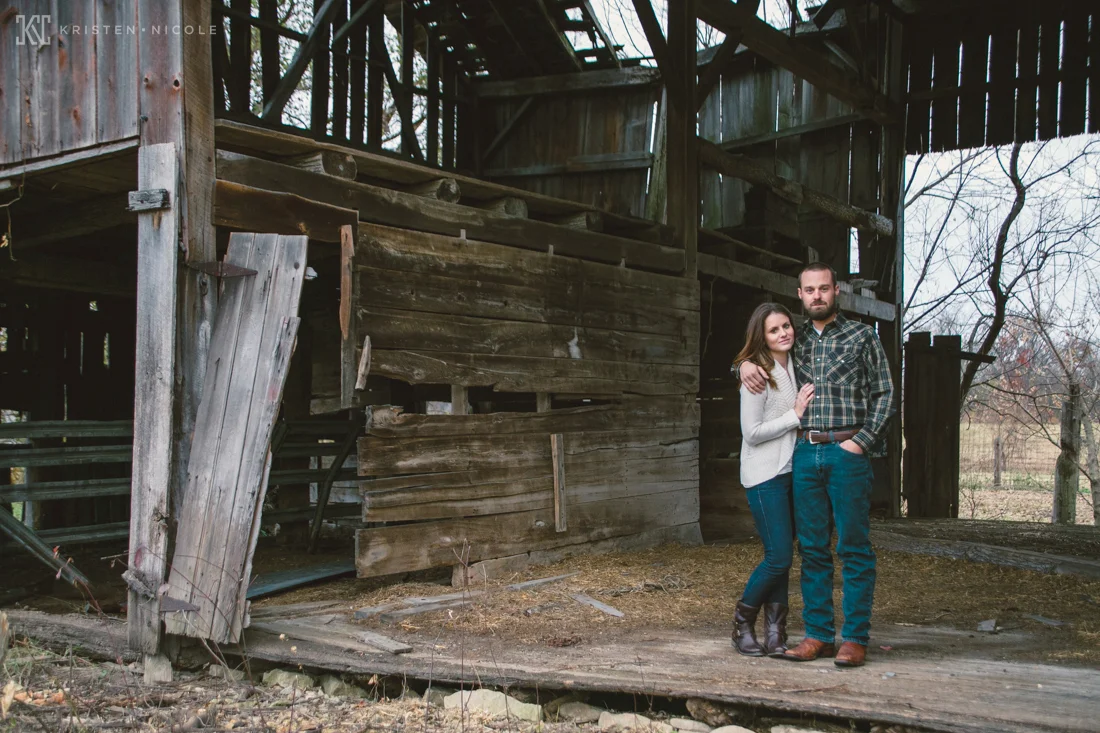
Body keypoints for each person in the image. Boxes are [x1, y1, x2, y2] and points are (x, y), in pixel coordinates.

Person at [739, 263, 895, 668]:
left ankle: (855, 638)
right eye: (809, 290)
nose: (817, 296)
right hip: (805, 453)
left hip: (847, 452)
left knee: (854, 547)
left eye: (824, 288)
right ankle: (819, 635)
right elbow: (757, 351)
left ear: (836, 290)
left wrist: (861, 442)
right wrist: (740, 365)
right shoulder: (796, 337)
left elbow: (885, 393)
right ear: (800, 294)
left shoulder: (862, 336)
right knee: (811, 548)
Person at [732, 303, 815, 657]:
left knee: (781, 555)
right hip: (764, 474)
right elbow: (751, 433)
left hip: (790, 472)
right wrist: (794, 416)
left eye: (786, 326)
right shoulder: (757, 375)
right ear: (761, 337)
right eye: (773, 330)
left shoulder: (796, 364)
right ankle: (741, 622)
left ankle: (776, 633)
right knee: (778, 556)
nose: (783, 333)